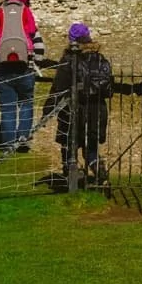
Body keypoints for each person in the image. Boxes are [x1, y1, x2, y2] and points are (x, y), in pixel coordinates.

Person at [44, 23, 113, 190]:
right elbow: (109, 88)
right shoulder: (100, 59)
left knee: (69, 145)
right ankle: (99, 173)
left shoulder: (69, 60)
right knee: (91, 146)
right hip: (97, 109)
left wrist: (48, 110)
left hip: (72, 109)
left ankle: (73, 176)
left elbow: (59, 87)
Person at [0, 0, 45, 151]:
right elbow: (36, 38)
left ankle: (8, 144)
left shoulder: (1, 12)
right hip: (25, 68)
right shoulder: (26, 12)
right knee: (26, 103)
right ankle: (22, 139)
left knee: (8, 107)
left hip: (3, 69)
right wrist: (37, 61)